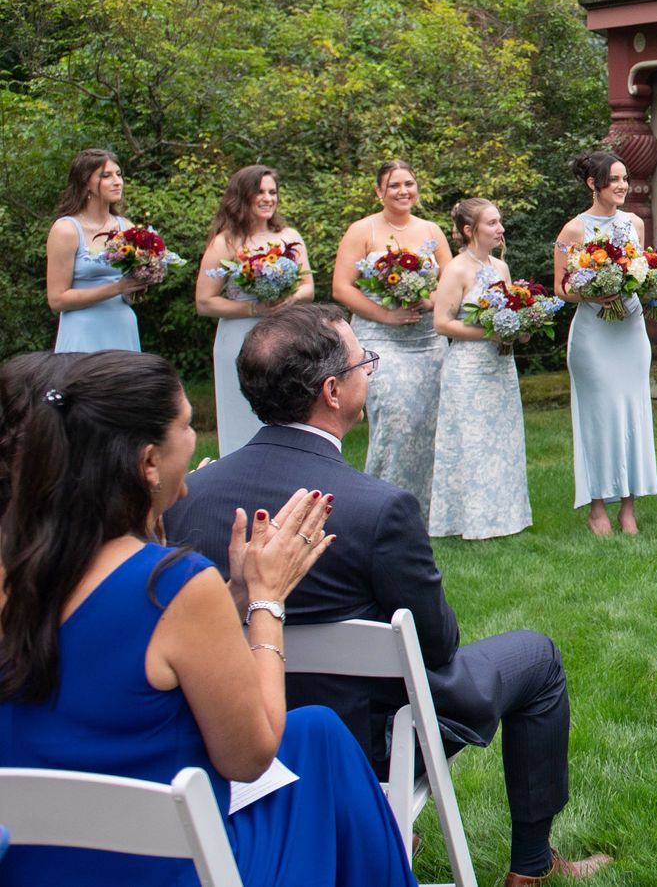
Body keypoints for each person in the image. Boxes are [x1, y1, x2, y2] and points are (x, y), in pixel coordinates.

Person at [162, 306, 609, 886]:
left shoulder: (190, 494)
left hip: (234, 727)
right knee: (539, 658)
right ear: (332, 390)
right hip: (371, 743)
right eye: (362, 363)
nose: (368, 374)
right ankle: (531, 866)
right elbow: (438, 646)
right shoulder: (378, 508)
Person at [0, 348, 417, 887]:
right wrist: (267, 602)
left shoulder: (19, 566)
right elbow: (251, 758)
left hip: (31, 863)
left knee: (316, 733)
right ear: (149, 462)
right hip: (165, 866)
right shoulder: (171, 585)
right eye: (188, 425)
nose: (198, 441)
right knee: (316, 748)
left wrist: (230, 599)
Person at [332, 159, 449, 511]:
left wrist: (429, 300)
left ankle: (430, 511)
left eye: (409, 183)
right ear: (379, 191)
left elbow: (452, 281)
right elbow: (341, 288)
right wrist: (387, 314)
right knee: (395, 421)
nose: (403, 191)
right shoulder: (362, 231)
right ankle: (382, 507)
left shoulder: (431, 231)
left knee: (433, 425)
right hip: (380, 341)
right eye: (394, 185)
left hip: (428, 342)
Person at [553, 150, 657, 536]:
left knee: (632, 414)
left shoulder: (635, 223)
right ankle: (597, 506)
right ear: (592, 184)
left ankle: (628, 506)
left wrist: (646, 286)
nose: (622, 185)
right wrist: (595, 294)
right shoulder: (573, 231)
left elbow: (642, 270)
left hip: (630, 330)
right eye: (614, 179)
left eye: (625, 178)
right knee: (597, 418)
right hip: (593, 335)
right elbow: (561, 288)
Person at [428, 198, 533, 540]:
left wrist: (521, 325)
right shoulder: (456, 269)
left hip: (501, 365)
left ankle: (506, 518)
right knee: (472, 444)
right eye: (492, 223)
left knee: (503, 442)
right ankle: (469, 522)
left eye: (499, 222)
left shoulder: (500, 267)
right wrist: (489, 331)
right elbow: (442, 323)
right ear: (469, 230)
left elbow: (509, 311)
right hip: (468, 368)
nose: (500, 228)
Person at [194, 165, 314, 456]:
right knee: (241, 412)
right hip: (238, 337)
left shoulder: (290, 236)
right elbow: (205, 301)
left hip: (284, 335)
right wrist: (253, 308)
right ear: (242, 195)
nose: (268, 198)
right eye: (260, 192)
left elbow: (308, 288)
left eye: (272, 192)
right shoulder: (226, 242)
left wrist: (289, 299)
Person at [44, 148, 146, 353]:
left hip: (122, 325)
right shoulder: (66, 230)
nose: (117, 181)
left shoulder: (126, 227)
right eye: (106, 176)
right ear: (85, 183)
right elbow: (56, 300)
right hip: (84, 330)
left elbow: (130, 291)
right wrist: (116, 288)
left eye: (119, 174)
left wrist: (144, 278)